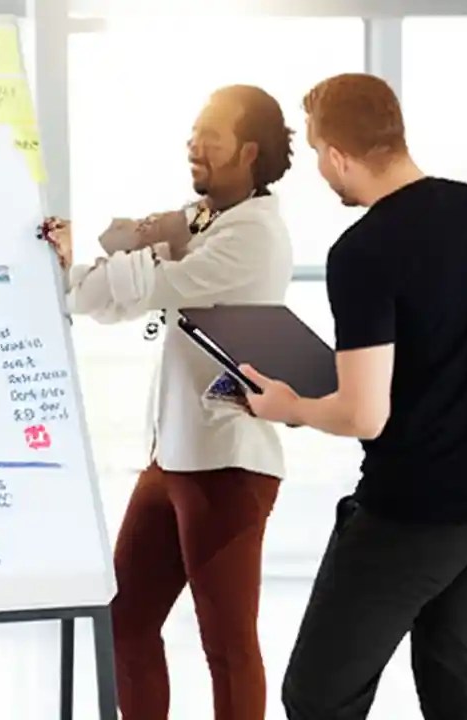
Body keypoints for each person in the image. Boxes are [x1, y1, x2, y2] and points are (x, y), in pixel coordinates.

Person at [241, 73, 467, 720]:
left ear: (337, 154)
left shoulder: (365, 250)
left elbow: (362, 413)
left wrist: (286, 406)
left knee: (318, 695)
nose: (320, 169)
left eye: (319, 153)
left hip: (419, 512)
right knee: (450, 676)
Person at [44, 85, 295, 720]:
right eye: (192, 132)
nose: (194, 144)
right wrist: (78, 272)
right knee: (124, 620)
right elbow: (112, 297)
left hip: (227, 463)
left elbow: (152, 284)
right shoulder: (201, 220)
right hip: (171, 456)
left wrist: (107, 268)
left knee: (227, 645)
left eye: (210, 134)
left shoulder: (253, 236)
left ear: (248, 151)